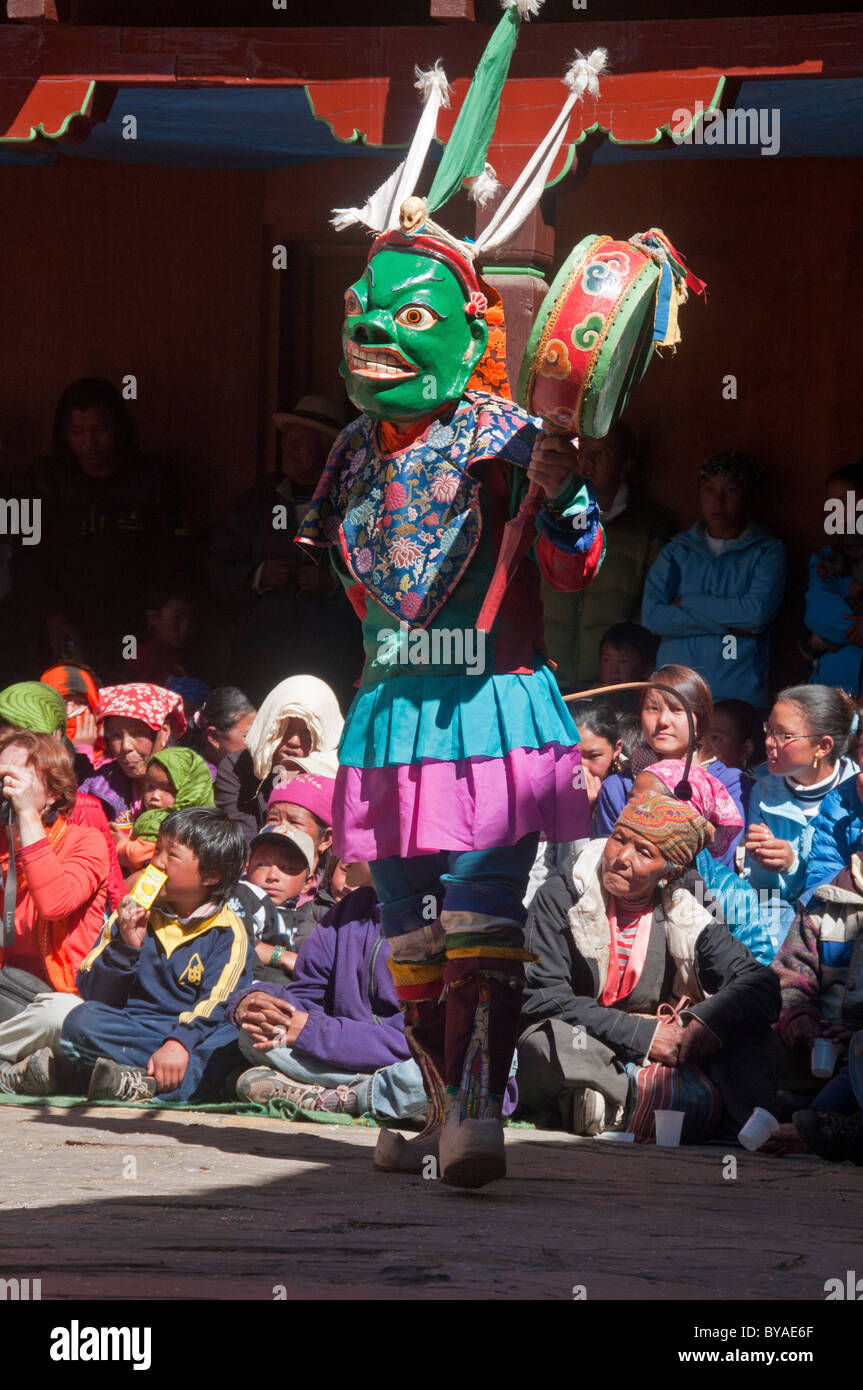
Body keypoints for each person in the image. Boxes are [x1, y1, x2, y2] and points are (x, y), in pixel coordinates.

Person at [295, 221, 603, 1188]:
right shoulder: (348, 448)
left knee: (479, 913)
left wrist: (563, 495)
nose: (379, 328)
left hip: (488, 704)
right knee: (409, 927)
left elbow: (572, 563)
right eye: (362, 311)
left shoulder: (510, 435)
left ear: (471, 339)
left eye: (410, 313)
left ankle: (479, 1114)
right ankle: (438, 1111)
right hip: (391, 709)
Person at [517, 791, 780, 1139]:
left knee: (755, 1038)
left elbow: (760, 984)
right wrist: (644, 1035)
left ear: (668, 875)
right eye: (619, 839)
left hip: (671, 1046)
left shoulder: (689, 905)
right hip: (592, 1042)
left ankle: (617, 1105)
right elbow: (542, 997)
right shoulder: (563, 894)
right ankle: (675, 1105)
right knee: (545, 1043)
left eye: (644, 853)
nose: (621, 858)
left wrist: (701, 1023)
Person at [228, 881, 474, 1130]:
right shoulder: (350, 910)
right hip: (344, 1053)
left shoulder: (447, 910)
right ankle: (383, 1094)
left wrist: (313, 1032)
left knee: (437, 1077)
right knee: (255, 1032)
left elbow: (426, 1041)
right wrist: (256, 1001)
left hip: (417, 1060)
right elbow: (306, 995)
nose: (345, 849)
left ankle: (343, 1098)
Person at [56, 807, 250, 1103]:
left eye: (171, 856)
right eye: (157, 849)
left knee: (233, 1041)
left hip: (193, 1035)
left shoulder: (227, 931)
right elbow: (92, 991)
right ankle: (158, 1083)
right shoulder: (131, 914)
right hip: (136, 1027)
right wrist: (127, 948)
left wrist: (179, 1042)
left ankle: (141, 1084)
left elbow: (218, 999)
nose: (156, 862)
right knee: (81, 1020)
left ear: (211, 876)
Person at [208, 396, 363, 710]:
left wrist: (331, 584)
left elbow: (378, 582)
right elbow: (217, 568)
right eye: (287, 439)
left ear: (330, 449)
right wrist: (259, 576)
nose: (289, 448)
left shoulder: (353, 504)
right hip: (260, 666)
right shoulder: (258, 502)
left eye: (302, 441)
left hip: (331, 667)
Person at [22, 377, 184, 678]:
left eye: (101, 430)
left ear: (119, 428)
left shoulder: (152, 479)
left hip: (133, 625)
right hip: (62, 625)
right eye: (77, 432)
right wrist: (51, 616)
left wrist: (160, 613)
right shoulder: (41, 479)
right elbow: (24, 556)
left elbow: (171, 555)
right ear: (64, 433)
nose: (89, 443)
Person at [0, 729, 110, 1086]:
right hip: (6, 998)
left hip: (53, 1004)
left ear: (53, 793)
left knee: (64, 1016)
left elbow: (55, 904)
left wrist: (27, 816)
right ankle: (14, 1071)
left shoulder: (85, 842)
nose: (7, 785)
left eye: (19, 776)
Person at [641, 452, 786, 707]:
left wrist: (687, 601)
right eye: (709, 490)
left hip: (737, 694)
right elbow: (652, 616)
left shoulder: (766, 551)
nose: (718, 501)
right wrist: (726, 626)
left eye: (730, 491)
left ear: (747, 495)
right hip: (677, 694)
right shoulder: (678, 550)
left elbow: (755, 614)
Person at [541, 423, 670, 693]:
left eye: (603, 454)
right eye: (584, 451)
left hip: (609, 684)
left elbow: (654, 607)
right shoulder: (551, 518)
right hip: (546, 676)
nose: (587, 463)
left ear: (626, 464)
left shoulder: (648, 529)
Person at [595, 665, 748, 867]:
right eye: (652, 708)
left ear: (700, 722)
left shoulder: (727, 783)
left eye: (677, 710)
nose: (663, 721)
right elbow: (614, 862)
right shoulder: (617, 787)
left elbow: (718, 860)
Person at [743, 686, 858, 949]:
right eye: (769, 730)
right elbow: (762, 893)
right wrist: (763, 863)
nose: (770, 742)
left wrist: (793, 865)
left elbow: (840, 889)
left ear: (822, 746)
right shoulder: (762, 788)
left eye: (784, 735)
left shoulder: (854, 798)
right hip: (772, 910)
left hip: (835, 922)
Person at [630, 761, 774, 966]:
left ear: (687, 821)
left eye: (649, 808)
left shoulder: (730, 892)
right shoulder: (617, 872)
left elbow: (756, 966)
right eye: (631, 803)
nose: (633, 815)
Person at [0, 679, 125, 909]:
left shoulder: (84, 810)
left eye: (26, 737)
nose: (11, 744)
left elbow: (114, 890)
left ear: (55, 738)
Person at [770, 854, 863, 1110]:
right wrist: (800, 1018)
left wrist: (857, 1036)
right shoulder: (823, 900)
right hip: (822, 1049)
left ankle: (816, 1116)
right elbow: (791, 977)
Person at [214, 675, 342, 847]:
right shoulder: (237, 768)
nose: (294, 741)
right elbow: (242, 842)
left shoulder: (334, 782)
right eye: (286, 727)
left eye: (307, 732)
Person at [78, 683, 186, 825]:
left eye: (137, 734)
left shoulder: (195, 780)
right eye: (116, 736)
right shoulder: (99, 785)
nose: (125, 747)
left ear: (164, 732)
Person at [228, 824, 317, 985]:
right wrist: (283, 957)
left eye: (286, 867)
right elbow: (234, 942)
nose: (272, 876)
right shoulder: (241, 896)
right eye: (262, 864)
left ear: (307, 882)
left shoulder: (306, 921)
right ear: (248, 869)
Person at [803, 459, 863, 694]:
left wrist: (823, 640)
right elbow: (819, 616)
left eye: (846, 502)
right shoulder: (827, 559)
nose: (837, 512)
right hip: (832, 689)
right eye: (833, 504)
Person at [115, 747, 215, 875]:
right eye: (150, 787)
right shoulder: (150, 818)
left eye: (167, 789)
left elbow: (135, 856)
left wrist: (120, 842)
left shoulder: (170, 825)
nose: (155, 796)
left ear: (189, 792)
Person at [127, 585, 196, 687]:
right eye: (176, 618)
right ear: (153, 618)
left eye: (190, 620)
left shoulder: (183, 654)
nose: (185, 628)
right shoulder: (139, 656)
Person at [710, 698, 763, 777]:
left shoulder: (759, 787)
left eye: (715, 738)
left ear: (746, 750)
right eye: (700, 736)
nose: (700, 744)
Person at [598, 622, 659, 689]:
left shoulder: (649, 695)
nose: (613, 670)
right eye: (606, 660)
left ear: (647, 669)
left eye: (623, 661)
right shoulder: (594, 693)